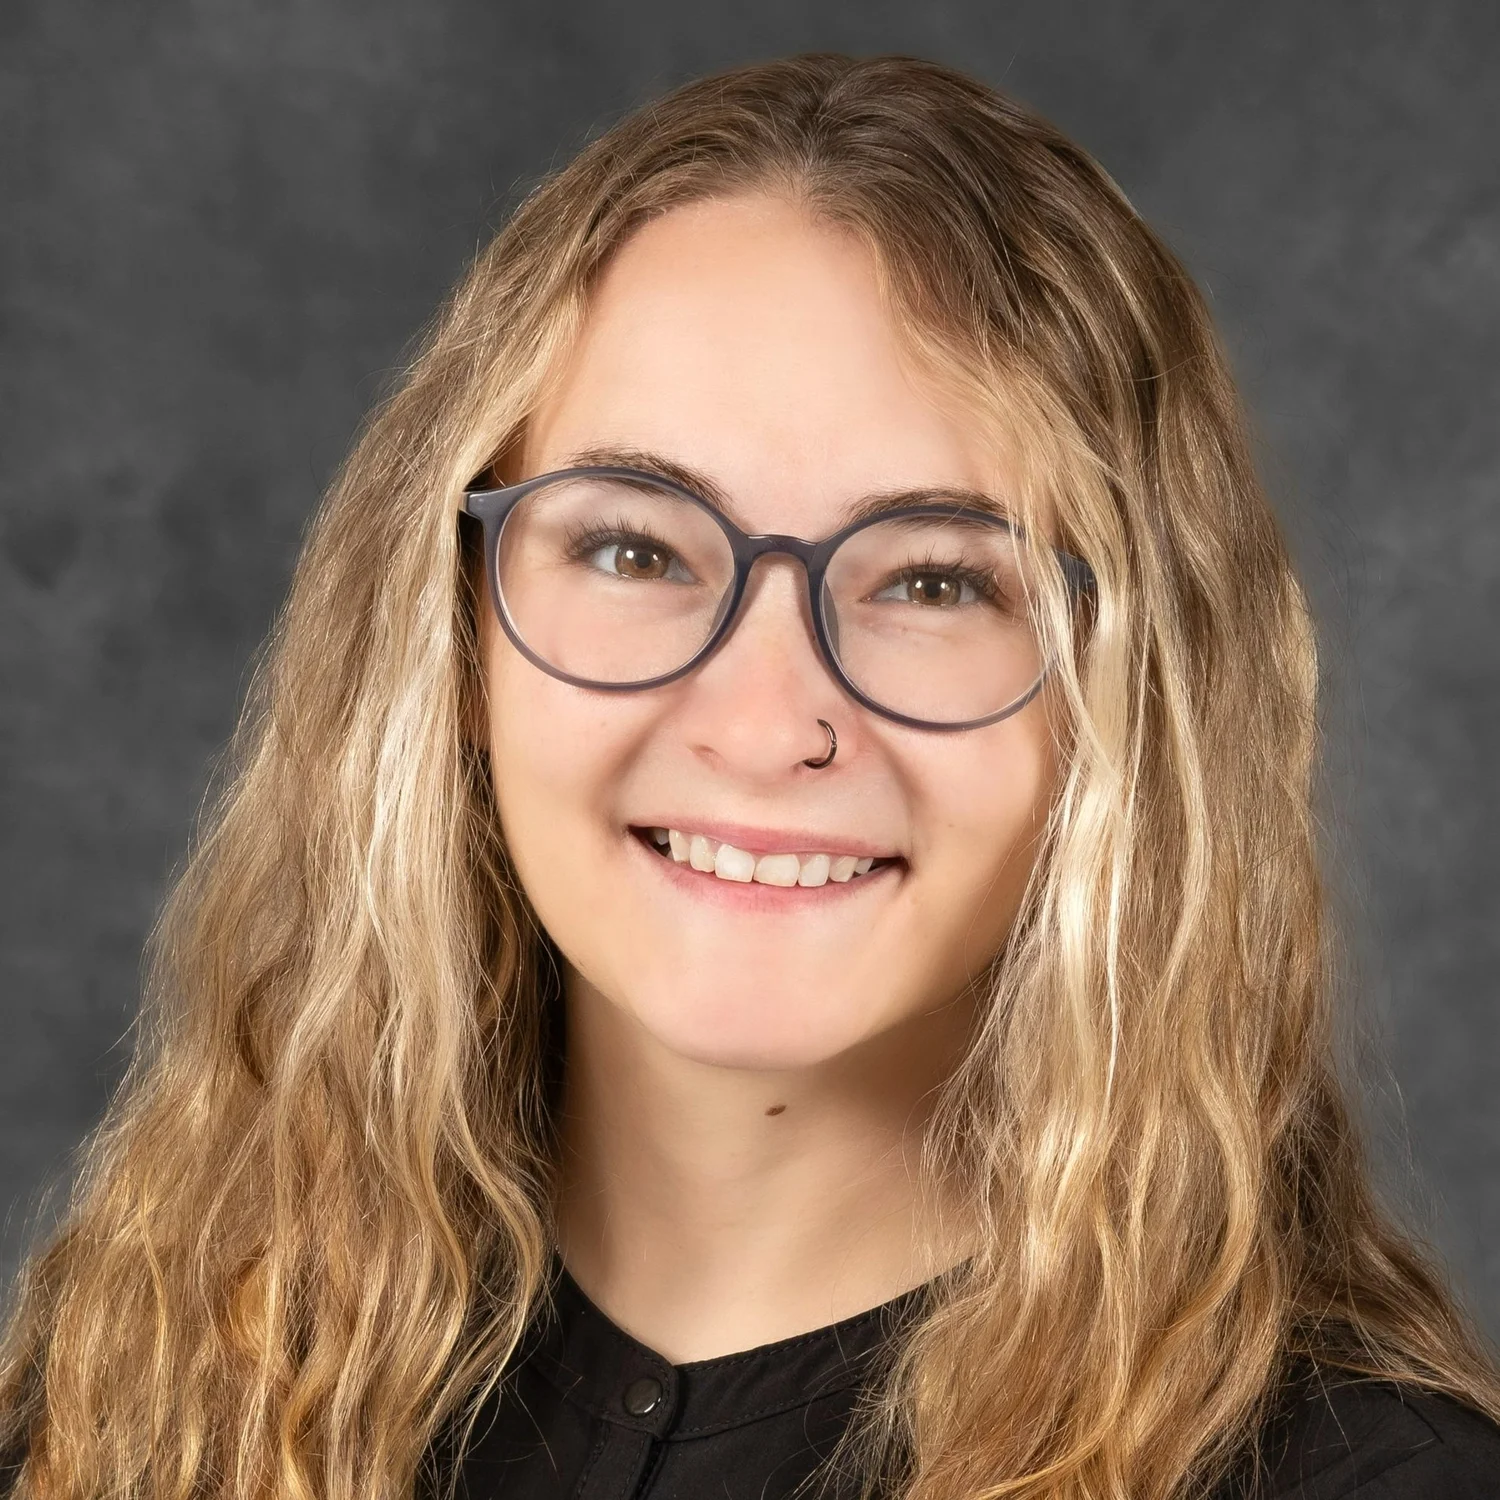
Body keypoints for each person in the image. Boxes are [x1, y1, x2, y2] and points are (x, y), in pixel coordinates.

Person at [2, 51, 1498, 1500]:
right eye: (635, 550)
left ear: (1134, 705)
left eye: (933, 582)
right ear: (454, 635)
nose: (766, 721)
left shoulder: (1361, 1480)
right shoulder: (131, 1409)